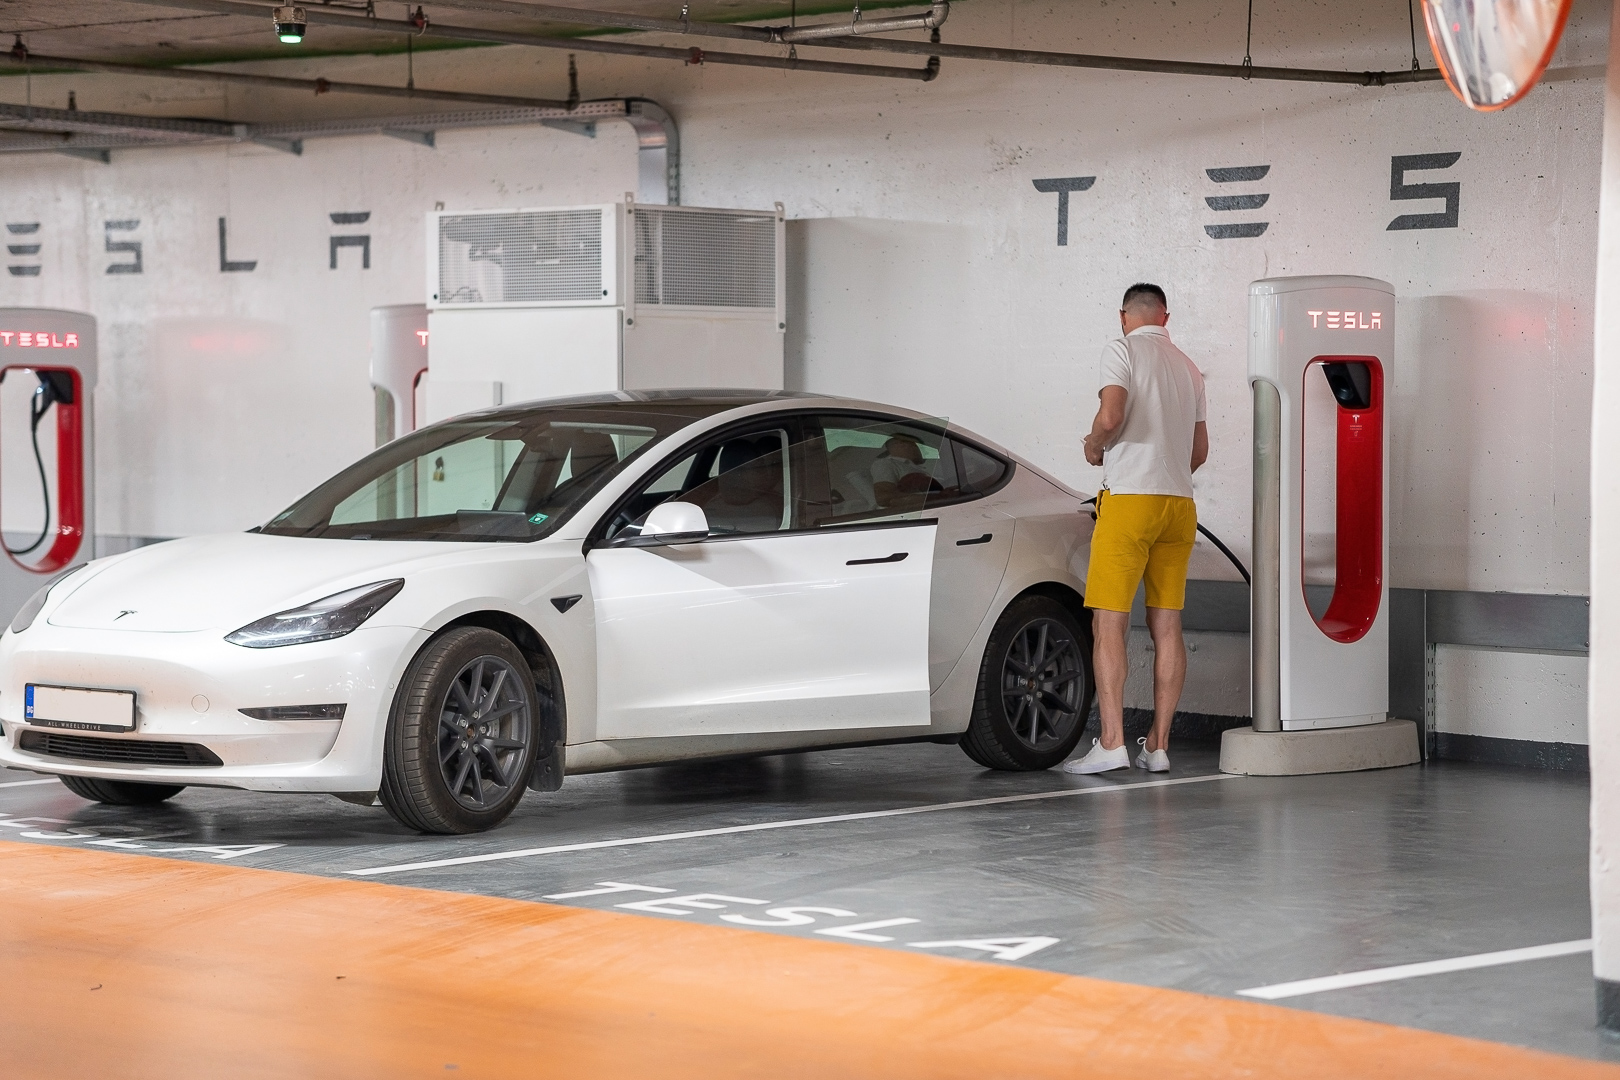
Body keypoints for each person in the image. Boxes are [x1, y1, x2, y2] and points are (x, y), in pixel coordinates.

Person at [1064, 283, 1208, 775]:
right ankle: (1160, 747)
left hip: (1129, 502)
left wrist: (1094, 445)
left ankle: (1110, 744)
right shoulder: (1188, 368)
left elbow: (1111, 415)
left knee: (1109, 622)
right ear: (1165, 316)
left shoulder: (1121, 349)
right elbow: (1199, 452)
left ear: (1123, 315)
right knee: (1166, 623)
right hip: (1178, 505)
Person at [870, 436, 933, 508]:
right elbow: (884, 497)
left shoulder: (914, 467)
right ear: (902, 445)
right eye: (921, 447)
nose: (926, 452)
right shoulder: (886, 463)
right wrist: (931, 499)